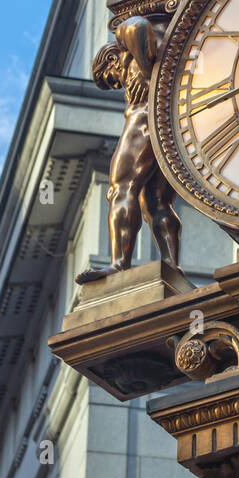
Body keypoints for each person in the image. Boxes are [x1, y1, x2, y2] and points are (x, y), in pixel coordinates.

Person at [78, 15, 181, 283]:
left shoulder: (132, 49)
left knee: (120, 188)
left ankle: (119, 264)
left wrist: (146, 71)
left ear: (111, 60)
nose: (116, 84)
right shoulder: (163, 47)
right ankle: (172, 265)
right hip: (163, 123)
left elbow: (134, 25)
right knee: (156, 202)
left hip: (141, 123)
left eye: (110, 79)